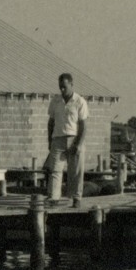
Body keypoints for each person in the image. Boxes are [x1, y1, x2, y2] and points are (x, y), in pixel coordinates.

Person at [44, 72, 89, 207]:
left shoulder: (80, 101)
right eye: (60, 87)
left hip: (73, 138)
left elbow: (83, 125)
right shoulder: (55, 101)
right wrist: (50, 140)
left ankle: (76, 198)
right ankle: (54, 198)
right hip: (57, 139)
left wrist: (78, 144)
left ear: (71, 84)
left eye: (64, 86)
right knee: (55, 169)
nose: (62, 89)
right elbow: (51, 122)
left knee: (75, 171)